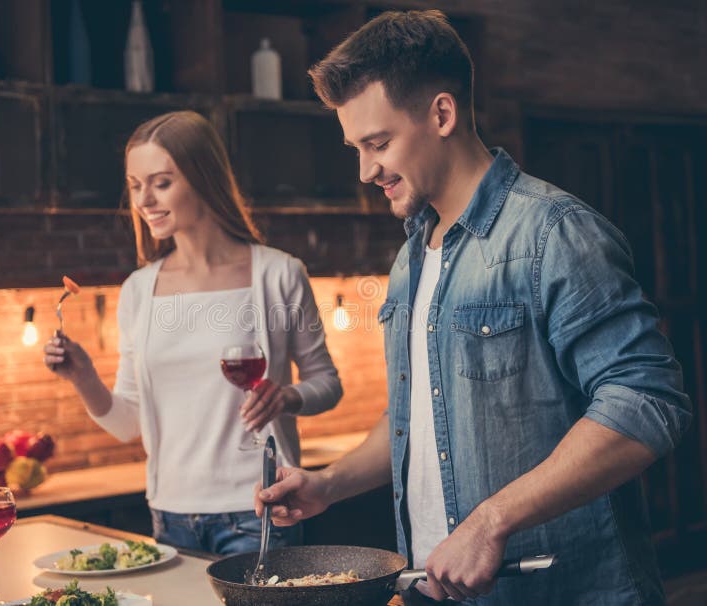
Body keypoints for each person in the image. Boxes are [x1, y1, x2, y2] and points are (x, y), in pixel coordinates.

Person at [253, 10, 691, 605]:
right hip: (437, 592)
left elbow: (647, 403)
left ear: (442, 113)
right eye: (356, 147)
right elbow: (416, 418)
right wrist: (330, 485)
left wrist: (491, 521)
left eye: (378, 143)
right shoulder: (410, 258)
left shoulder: (551, 234)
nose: (366, 170)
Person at [44, 110, 342, 555]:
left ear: (204, 179)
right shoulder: (139, 291)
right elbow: (127, 424)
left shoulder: (278, 274)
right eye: (135, 185)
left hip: (260, 511)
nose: (144, 200)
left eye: (161, 182)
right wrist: (82, 375)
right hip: (171, 517)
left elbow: (328, 383)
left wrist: (288, 397)